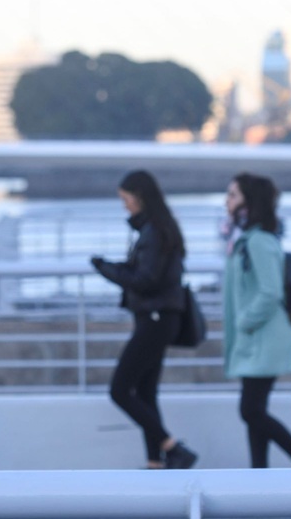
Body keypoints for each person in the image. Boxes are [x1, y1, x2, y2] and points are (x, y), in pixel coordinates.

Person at [222, 172, 291, 469]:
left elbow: (270, 291)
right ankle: (259, 473)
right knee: (255, 410)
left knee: (250, 411)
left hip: (264, 338)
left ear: (249, 201)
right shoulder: (246, 238)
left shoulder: (258, 241)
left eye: (232, 195)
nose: (226, 201)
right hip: (256, 338)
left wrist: (245, 320)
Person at [90, 170, 197, 469]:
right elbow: (146, 272)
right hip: (159, 317)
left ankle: (173, 448)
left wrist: (103, 268)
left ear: (140, 196)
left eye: (126, 199)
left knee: (120, 389)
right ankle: (155, 462)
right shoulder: (158, 229)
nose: (124, 205)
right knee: (146, 392)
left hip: (156, 318)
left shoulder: (153, 232)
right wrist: (113, 267)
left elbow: (145, 279)